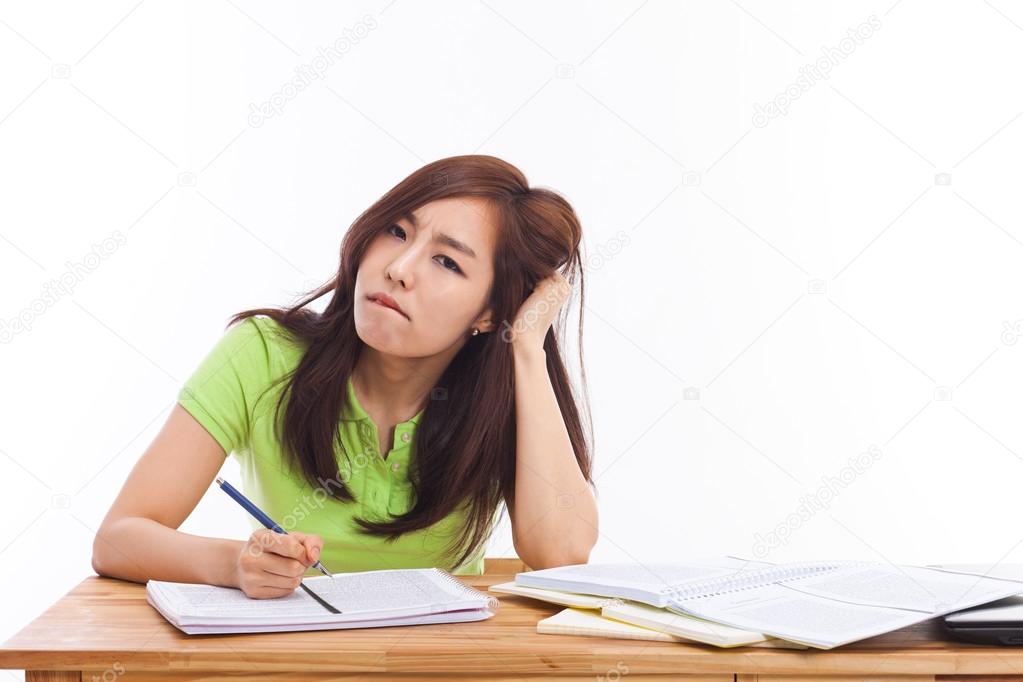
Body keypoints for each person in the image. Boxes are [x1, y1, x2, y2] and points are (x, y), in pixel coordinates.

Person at [91, 154, 598, 598]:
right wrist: (234, 564)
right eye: (397, 231)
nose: (399, 267)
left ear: (488, 313)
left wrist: (526, 346)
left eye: (446, 261)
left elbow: (561, 554)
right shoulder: (262, 354)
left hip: (438, 665)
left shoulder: (506, 395)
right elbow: (119, 539)